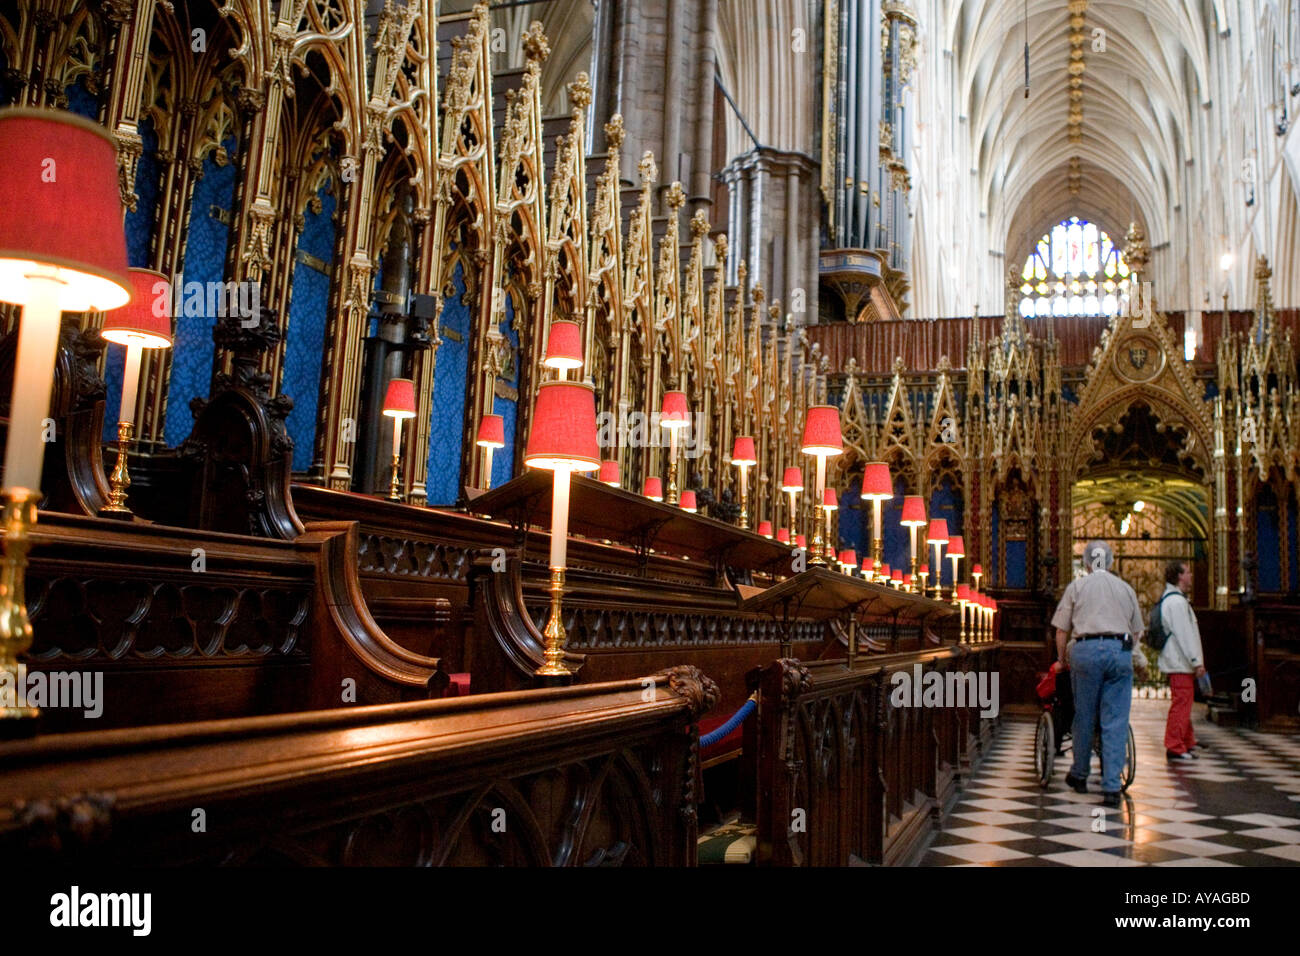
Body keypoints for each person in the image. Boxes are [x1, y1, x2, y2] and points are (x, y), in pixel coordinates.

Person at [1049, 540, 1144, 808]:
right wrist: (1126, 651)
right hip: (1119, 651)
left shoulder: (1077, 586)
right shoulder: (1125, 588)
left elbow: (1060, 630)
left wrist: (1061, 659)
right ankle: (1112, 787)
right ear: (1111, 562)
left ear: (1087, 563)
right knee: (1115, 719)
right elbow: (1137, 630)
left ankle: (1079, 774)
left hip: (1086, 651)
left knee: (1085, 715)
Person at [1156, 560, 1206, 761]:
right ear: (1179, 576)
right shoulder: (1176, 602)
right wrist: (1196, 661)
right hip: (1179, 661)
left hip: (1180, 661)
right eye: (1187, 572)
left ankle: (1187, 740)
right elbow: (1185, 635)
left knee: (1185, 701)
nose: (1191, 575)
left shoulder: (1175, 599)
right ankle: (1175, 745)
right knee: (1182, 702)